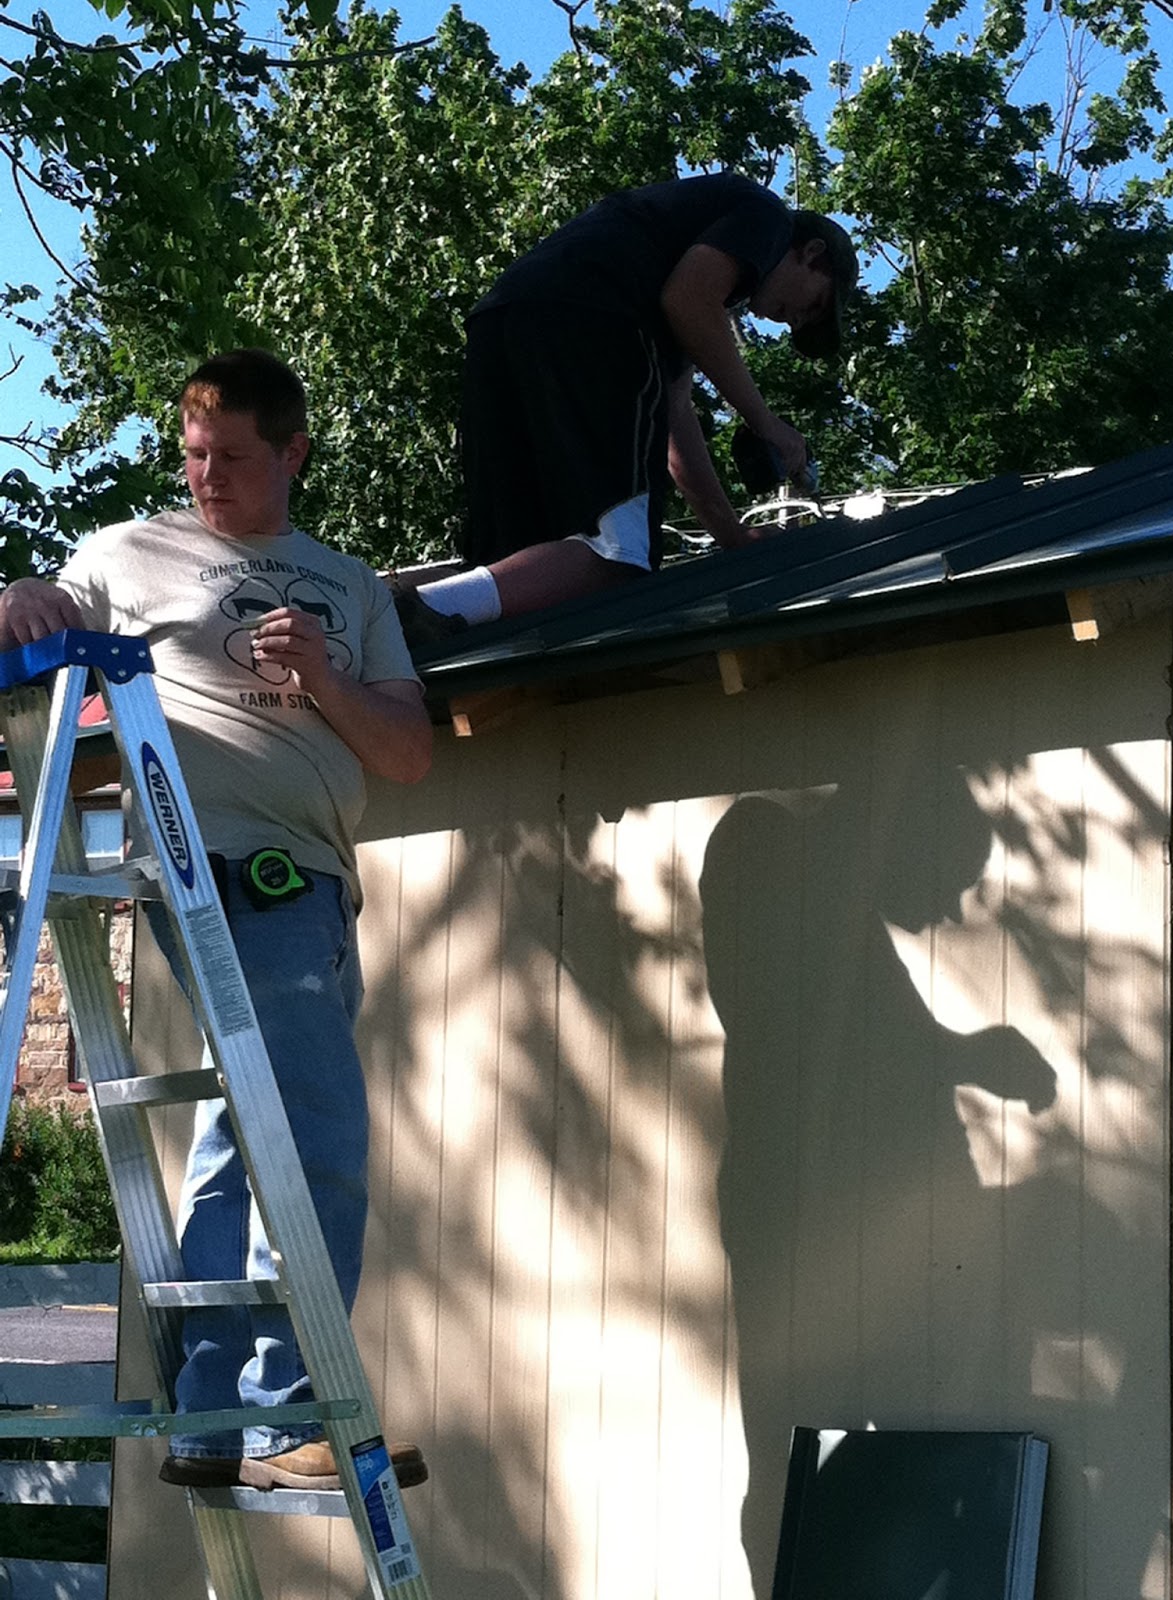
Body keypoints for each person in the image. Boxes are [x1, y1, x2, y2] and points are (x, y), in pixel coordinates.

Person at [0, 349, 435, 1492]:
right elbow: (31, 618)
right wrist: (17, 598)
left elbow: (407, 750)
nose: (206, 477)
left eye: (232, 458)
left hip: (320, 889)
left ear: (291, 451)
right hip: (219, 872)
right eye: (193, 455)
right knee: (322, 1139)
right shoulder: (131, 553)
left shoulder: (348, 584)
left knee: (243, 1150)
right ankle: (290, 1412)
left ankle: (209, 1423)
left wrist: (327, 684)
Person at [398, 171, 859, 643]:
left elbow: (675, 411)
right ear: (811, 252)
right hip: (595, 323)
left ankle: (370, 607)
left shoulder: (665, 254)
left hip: (503, 322)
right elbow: (689, 298)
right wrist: (765, 422)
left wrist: (730, 535)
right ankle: (417, 611)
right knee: (617, 558)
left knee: (519, 563)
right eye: (814, 305)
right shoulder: (767, 217)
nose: (795, 321)